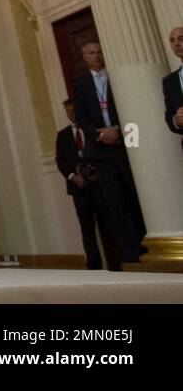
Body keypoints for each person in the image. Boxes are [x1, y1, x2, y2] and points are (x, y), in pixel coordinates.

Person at [70, 40, 146, 267]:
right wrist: (99, 135)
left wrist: (118, 130)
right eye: (91, 53)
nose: (97, 56)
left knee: (137, 197)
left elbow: (133, 104)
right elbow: (81, 117)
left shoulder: (117, 76)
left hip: (126, 146)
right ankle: (130, 253)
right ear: (84, 56)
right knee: (116, 204)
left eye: (99, 51)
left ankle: (147, 245)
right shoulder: (81, 85)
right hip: (101, 152)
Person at [55, 98, 114, 269]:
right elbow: (60, 161)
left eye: (73, 110)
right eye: (67, 111)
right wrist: (74, 176)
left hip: (99, 185)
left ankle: (115, 261)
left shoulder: (91, 129)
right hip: (78, 188)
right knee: (86, 228)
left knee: (107, 223)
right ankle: (94, 264)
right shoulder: (63, 135)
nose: (71, 114)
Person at [162, 25, 183, 148]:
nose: (176, 44)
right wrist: (177, 120)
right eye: (172, 40)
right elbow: (169, 115)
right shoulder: (169, 81)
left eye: (181, 39)